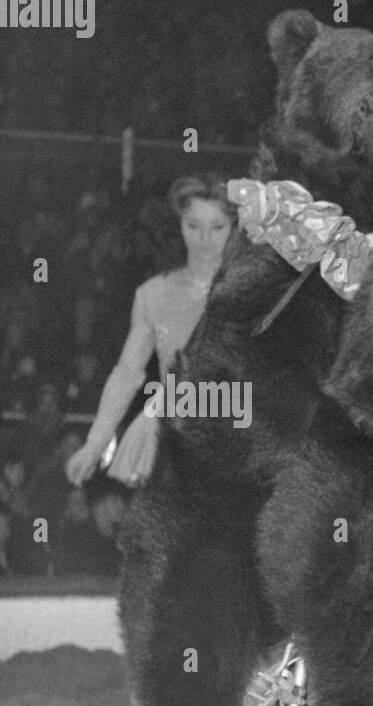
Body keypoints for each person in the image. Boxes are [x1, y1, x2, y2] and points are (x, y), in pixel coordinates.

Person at [66, 174, 235, 489]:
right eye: (193, 226)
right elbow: (127, 373)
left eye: (217, 227)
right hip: (169, 432)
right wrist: (94, 444)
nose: (204, 239)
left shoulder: (255, 293)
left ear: (234, 229)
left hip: (236, 432)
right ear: (180, 227)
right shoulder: (153, 294)